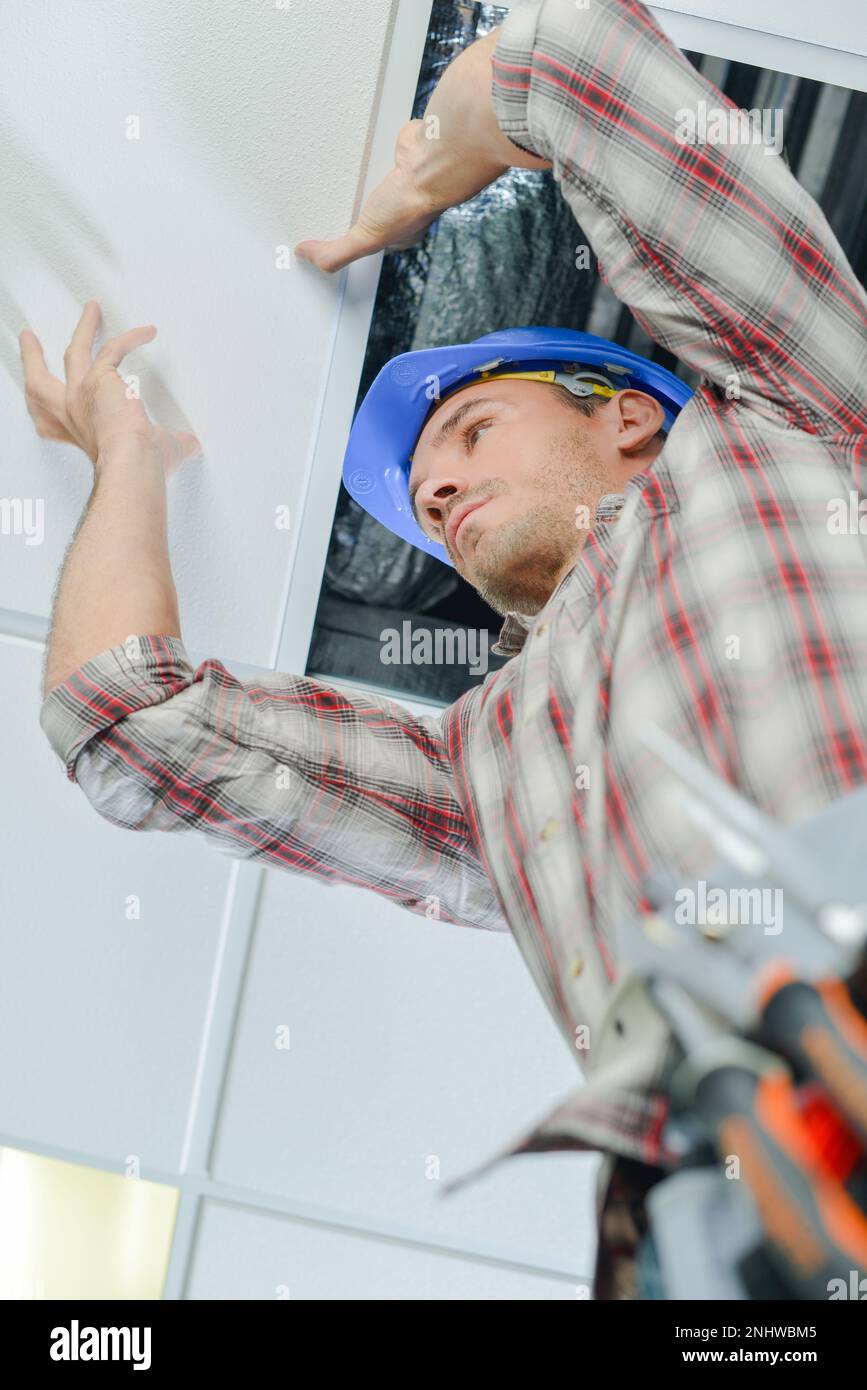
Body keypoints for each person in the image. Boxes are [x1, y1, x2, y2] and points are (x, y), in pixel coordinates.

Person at [28, 0, 867, 1299]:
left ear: (633, 416)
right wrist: (123, 450)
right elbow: (123, 724)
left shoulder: (794, 415)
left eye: (470, 427)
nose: (437, 492)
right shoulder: (480, 771)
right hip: (733, 1229)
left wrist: (429, 168)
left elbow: (582, 58)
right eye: (425, 497)